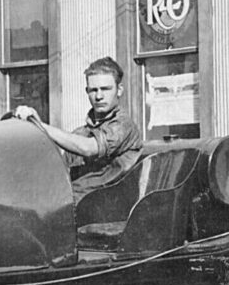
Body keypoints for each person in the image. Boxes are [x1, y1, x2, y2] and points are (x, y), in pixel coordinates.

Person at [14, 56, 143, 201]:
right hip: (72, 206)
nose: (99, 96)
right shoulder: (80, 134)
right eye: (93, 90)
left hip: (106, 212)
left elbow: (89, 148)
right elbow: (59, 173)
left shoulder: (123, 126)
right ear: (87, 91)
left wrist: (40, 125)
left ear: (119, 90)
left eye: (105, 89)